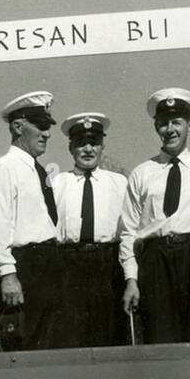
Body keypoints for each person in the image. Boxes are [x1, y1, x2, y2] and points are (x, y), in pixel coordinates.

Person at [119, 88, 190, 345]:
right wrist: (132, 279)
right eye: (163, 123)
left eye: (176, 122)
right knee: (160, 337)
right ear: (156, 126)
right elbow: (129, 232)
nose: (169, 129)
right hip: (155, 264)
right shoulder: (142, 173)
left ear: (189, 125)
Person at [0, 90, 65, 350]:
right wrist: (8, 274)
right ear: (18, 127)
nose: (47, 133)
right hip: (25, 267)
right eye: (40, 126)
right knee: (25, 346)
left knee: (52, 345)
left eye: (48, 127)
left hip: (49, 265)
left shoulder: (37, 170)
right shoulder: (3, 168)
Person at [48, 112, 128, 347]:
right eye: (81, 144)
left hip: (108, 262)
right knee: (71, 334)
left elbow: (128, 230)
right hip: (68, 263)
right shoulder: (57, 184)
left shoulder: (119, 183)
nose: (88, 149)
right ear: (71, 147)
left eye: (93, 143)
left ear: (102, 146)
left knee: (111, 332)